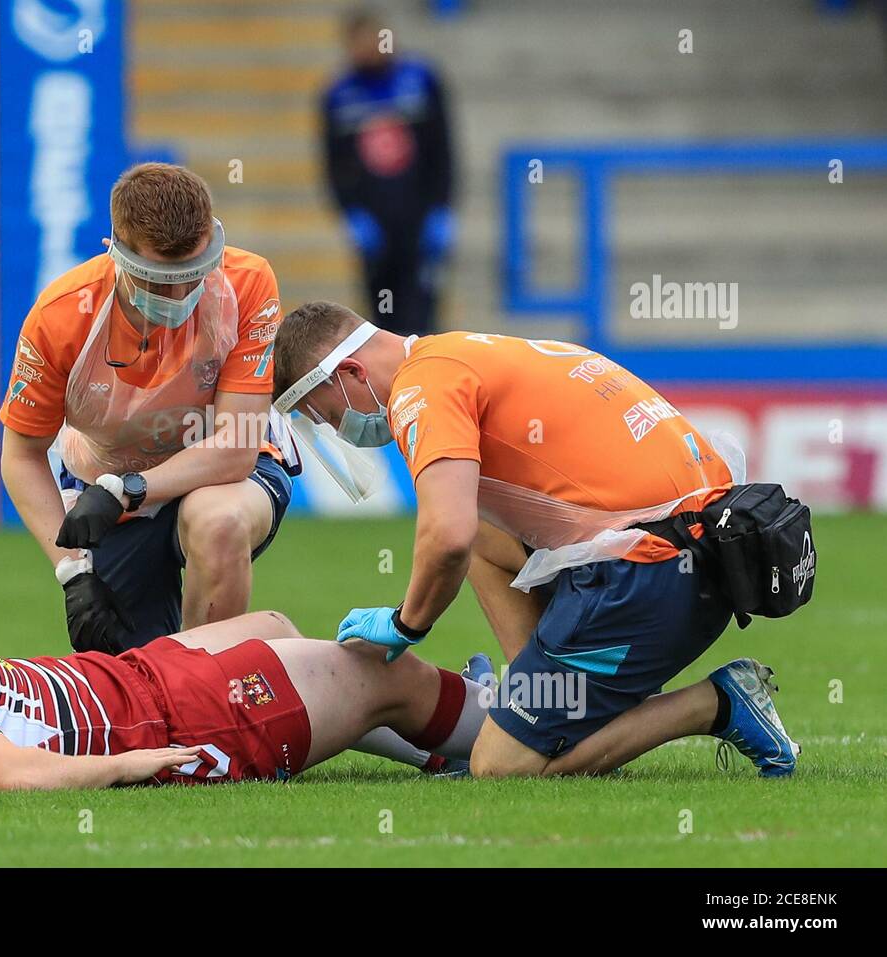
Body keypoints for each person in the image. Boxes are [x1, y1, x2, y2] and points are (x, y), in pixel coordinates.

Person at [270, 301, 802, 778]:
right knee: (485, 540)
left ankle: (718, 703)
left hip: (654, 567)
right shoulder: (460, 351)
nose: (338, 431)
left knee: (501, 766)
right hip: (706, 550)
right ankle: (543, 713)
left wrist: (406, 624)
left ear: (350, 373)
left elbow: (446, 535)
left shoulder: (420, 387)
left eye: (324, 414)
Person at [0, 559, 491, 791]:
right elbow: (7, 774)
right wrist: (131, 764)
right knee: (379, 669)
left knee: (276, 627)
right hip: (170, 718)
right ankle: (513, 732)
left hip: (123, 675)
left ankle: (433, 753)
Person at [0, 162, 295, 655]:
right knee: (124, 672)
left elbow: (236, 449)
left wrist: (129, 490)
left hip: (219, 473)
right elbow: (22, 455)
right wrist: (71, 570)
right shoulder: (60, 316)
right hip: (104, 484)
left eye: (195, 273)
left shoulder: (248, 283)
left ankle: (212, 688)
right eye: (159, 280)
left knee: (217, 520)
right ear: (117, 251)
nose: (180, 294)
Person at [322, 5, 458, 336]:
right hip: (376, 227)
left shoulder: (421, 80)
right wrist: (350, 213)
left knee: (423, 315)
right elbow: (333, 164)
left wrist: (442, 208)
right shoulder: (338, 96)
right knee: (382, 317)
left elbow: (443, 151)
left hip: (419, 218)